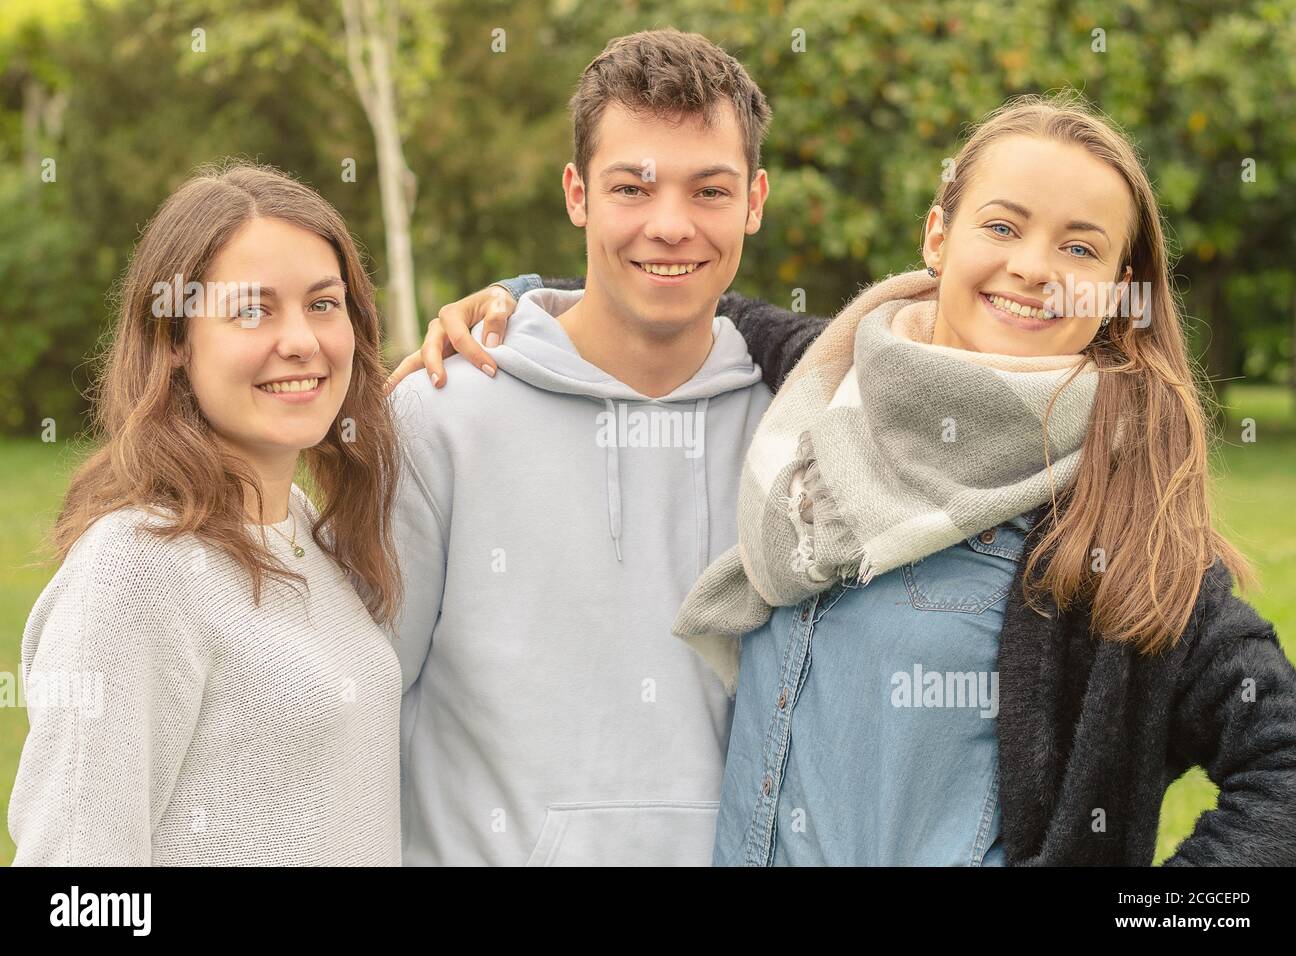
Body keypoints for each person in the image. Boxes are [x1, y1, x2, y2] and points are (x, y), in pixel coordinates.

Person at [671, 93, 1296, 866]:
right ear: (938, 236)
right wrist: (522, 302)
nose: (1033, 268)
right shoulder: (833, 380)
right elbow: (684, 301)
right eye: (1002, 226)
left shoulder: (1119, 529)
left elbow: (1284, 765)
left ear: (1116, 289)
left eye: (1079, 249)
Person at [386, 29, 799, 866]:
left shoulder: (797, 429)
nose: (671, 224)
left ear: (754, 201)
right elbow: (358, 703)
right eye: (632, 187)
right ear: (578, 193)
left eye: (709, 191)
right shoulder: (440, 416)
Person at [8, 162, 404, 866]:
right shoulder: (134, 568)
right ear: (175, 342)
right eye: (252, 309)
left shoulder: (309, 535)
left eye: (322, 303)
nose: (302, 341)